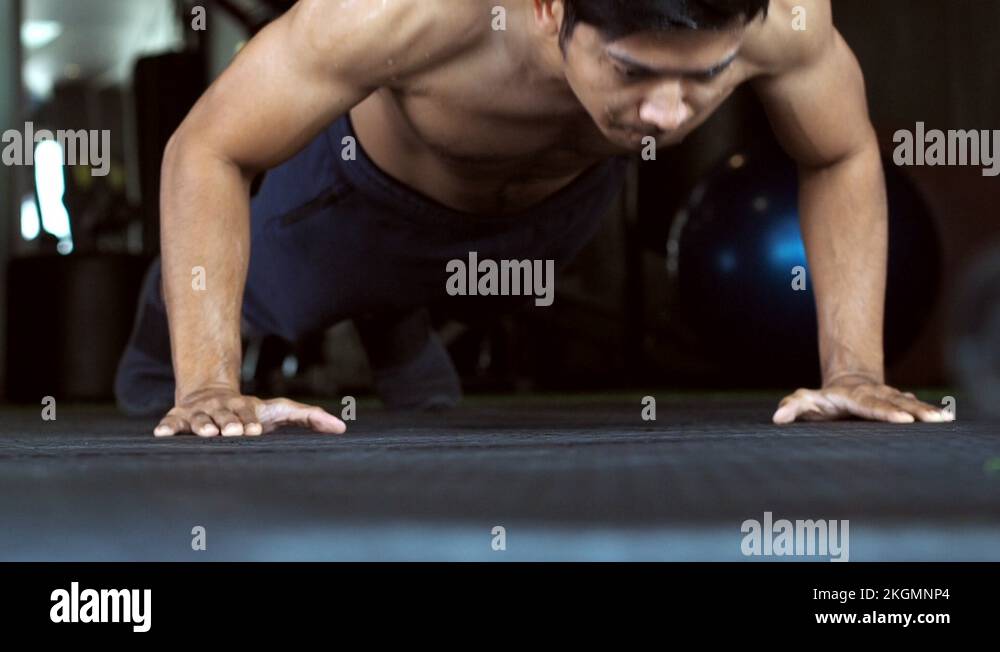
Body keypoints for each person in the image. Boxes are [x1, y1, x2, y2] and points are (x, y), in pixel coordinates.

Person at [115, 0, 954, 437]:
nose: (668, 115)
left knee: (480, 293)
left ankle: (393, 309)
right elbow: (208, 150)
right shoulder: (405, 14)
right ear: (553, 10)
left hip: (556, 214)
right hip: (358, 199)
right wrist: (210, 384)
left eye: (709, 76)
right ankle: (169, 331)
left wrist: (854, 371)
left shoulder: (781, 21)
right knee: (276, 298)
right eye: (629, 72)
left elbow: (840, 151)